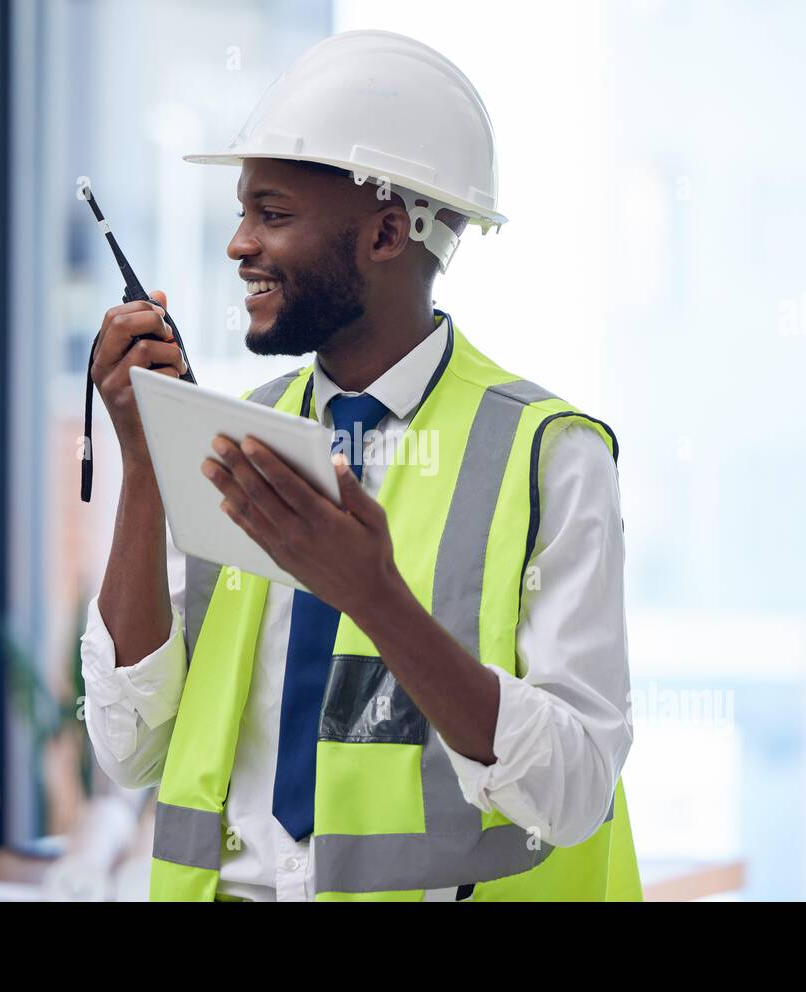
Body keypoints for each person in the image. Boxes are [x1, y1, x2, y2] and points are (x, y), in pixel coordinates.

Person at [80, 29, 640, 902]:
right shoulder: (238, 436)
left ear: (385, 234)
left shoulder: (550, 459)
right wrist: (146, 460)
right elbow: (128, 746)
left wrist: (374, 599)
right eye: (240, 213)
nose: (237, 245)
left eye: (271, 213)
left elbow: (571, 792)